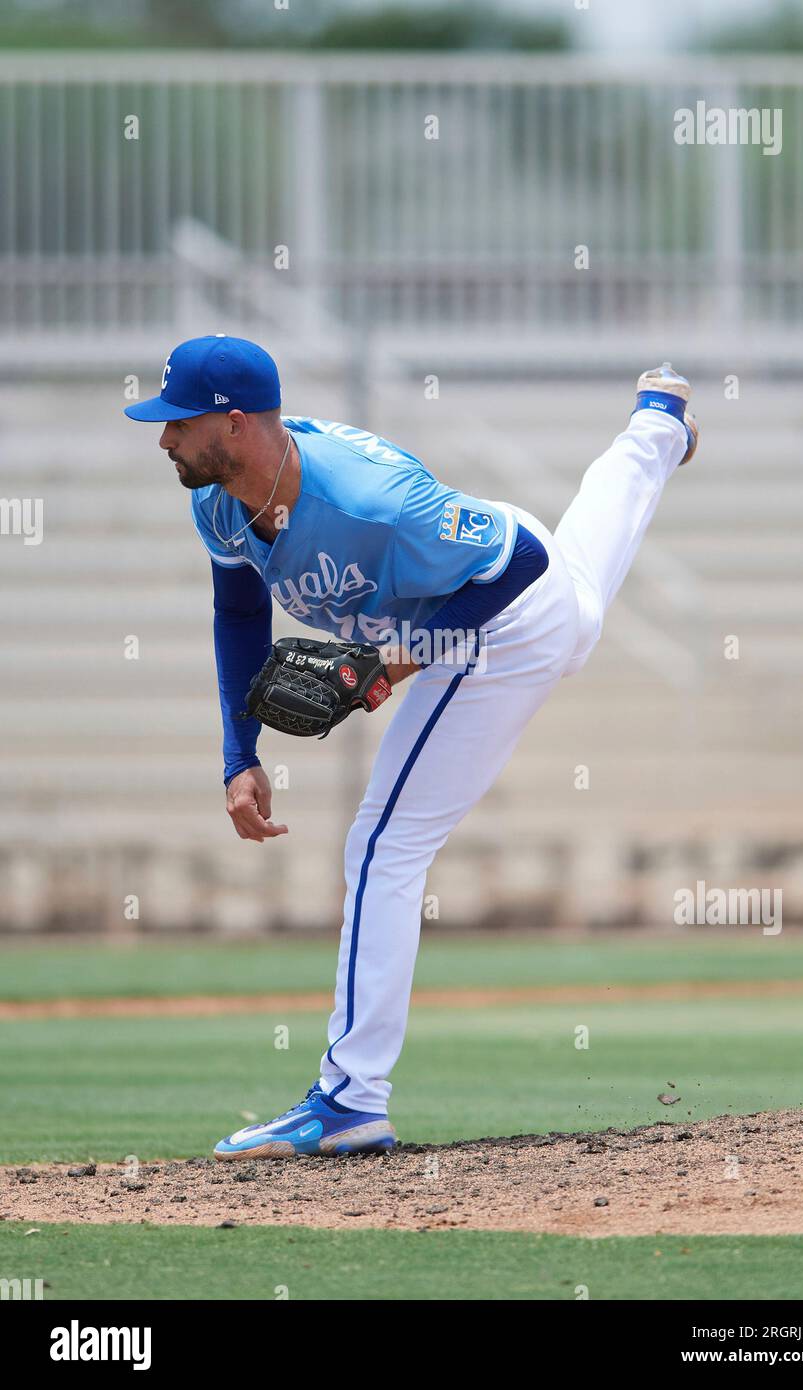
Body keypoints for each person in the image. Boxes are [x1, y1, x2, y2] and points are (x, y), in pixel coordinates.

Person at [125, 334, 698, 1159]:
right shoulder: (217, 496)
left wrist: (391, 660)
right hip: (519, 596)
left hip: (502, 620)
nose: (164, 437)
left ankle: (352, 1100)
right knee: (586, 609)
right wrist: (238, 753)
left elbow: (519, 567)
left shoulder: (370, 500)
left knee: (385, 843)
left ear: (235, 423)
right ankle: (659, 426)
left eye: (178, 420)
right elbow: (241, 613)